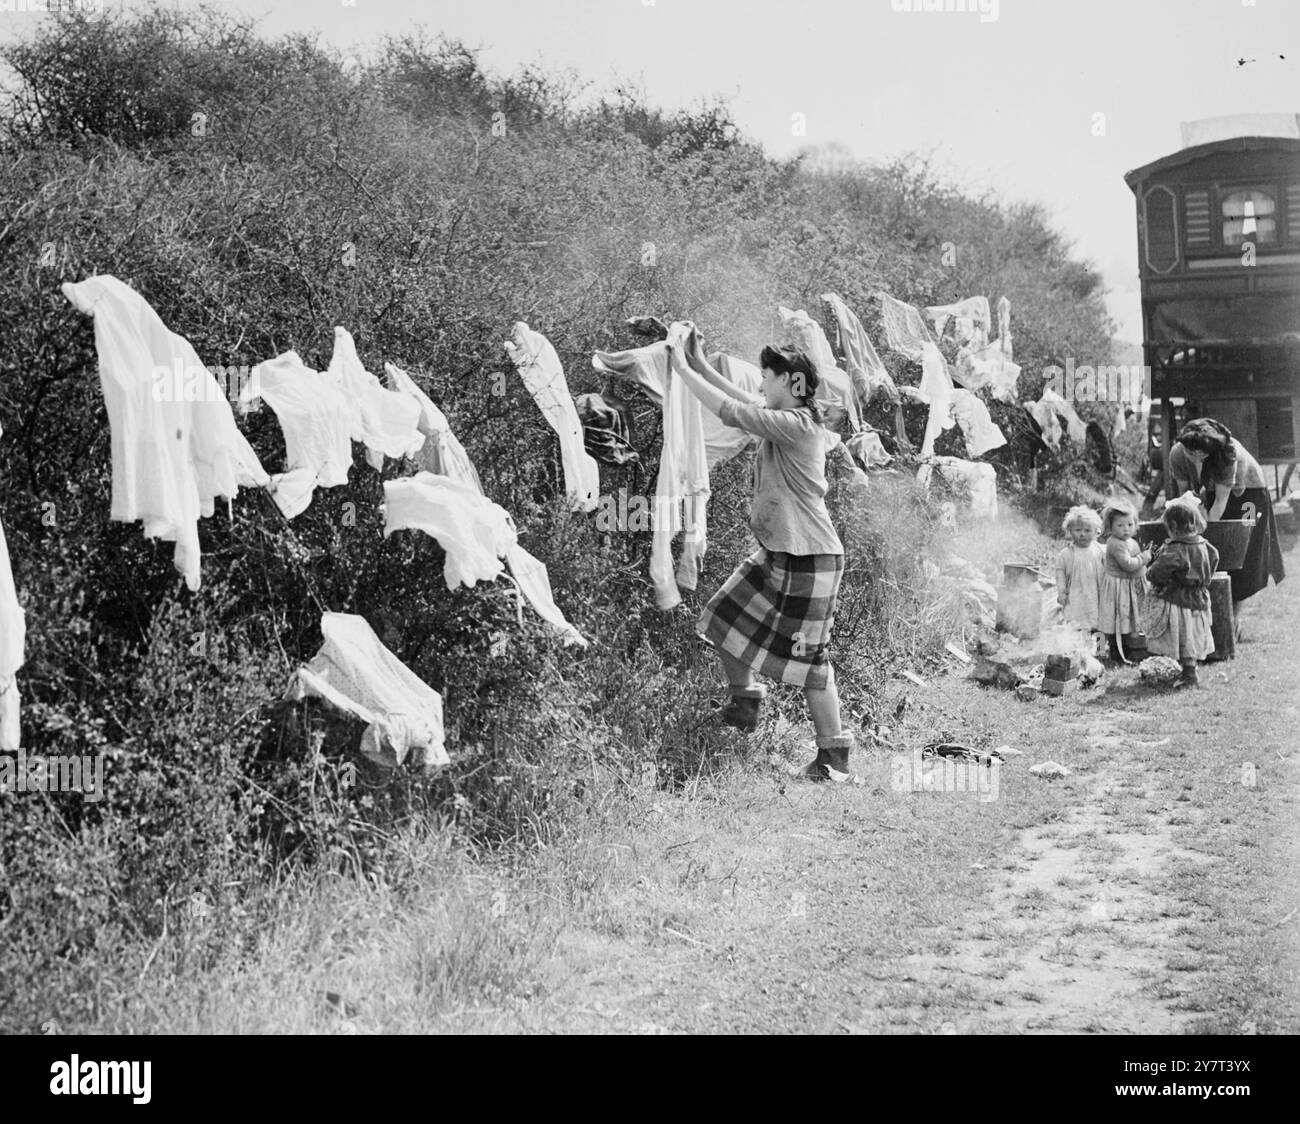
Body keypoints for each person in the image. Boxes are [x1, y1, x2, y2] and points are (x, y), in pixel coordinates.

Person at [666, 328, 866, 781]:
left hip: (810, 558)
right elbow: (744, 401)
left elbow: (733, 411)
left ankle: (834, 758)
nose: (760, 384)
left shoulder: (797, 426)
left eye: (767, 377)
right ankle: (745, 704)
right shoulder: (787, 417)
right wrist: (696, 364)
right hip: (780, 552)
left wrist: (680, 370)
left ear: (789, 382)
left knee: (812, 663)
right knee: (721, 618)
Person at [1169, 418, 1285, 628]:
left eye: (1202, 454)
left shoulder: (1227, 454)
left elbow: (1221, 502)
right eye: (1191, 452)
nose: (1196, 457)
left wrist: (1204, 533)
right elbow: (1185, 495)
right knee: (1212, 549)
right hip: (1214, 490)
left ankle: (1233, 618)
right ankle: (1209, 614)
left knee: (1240, 549)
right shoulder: (1177, 454)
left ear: (1212, 448)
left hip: (1248, 492)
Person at [1143, 499, 1219, 688]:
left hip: (1179, 599)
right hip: (1198, 596)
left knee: (1183, 634)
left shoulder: (1175, 549)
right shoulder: (1205, 544)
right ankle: (1188, 670)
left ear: (1173, 526)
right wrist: (1205, 579)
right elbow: (1215, 556)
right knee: (1192, 634)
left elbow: (1156, 572)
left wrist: (1150, 572)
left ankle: (1188, 674)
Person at [1098, 498, 1152, 663]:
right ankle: (1109, 649)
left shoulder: (1131, 542)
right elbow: (1128, 564)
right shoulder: (1115, 544)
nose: (1125, 529)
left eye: (1129, 525)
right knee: (1115, 617)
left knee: (1131, 617)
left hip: (1129, 585)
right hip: (1118, 585)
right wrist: (1145, 557)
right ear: (1110, 527)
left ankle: (1132, 648)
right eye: (1120, 526)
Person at [1055, 505, 1105, 635]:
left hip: (1096, 593)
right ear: (1070, 531)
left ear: (1096, 532)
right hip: (1076, 594)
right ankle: (1080, 651)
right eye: (1078, 530)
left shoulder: (1100, 551)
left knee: (1099, 624)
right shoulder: (1066, 554)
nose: (1082, 534)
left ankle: (1101, 651)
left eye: (1088, 530)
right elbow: (1060, 573)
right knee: (1076, 623)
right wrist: (1062, 592)